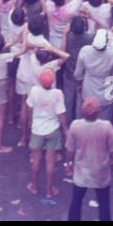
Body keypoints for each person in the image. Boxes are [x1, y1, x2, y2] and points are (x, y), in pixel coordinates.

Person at [65, 95, 113, 221]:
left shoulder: (75, 125)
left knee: (76, 201)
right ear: (98, 111)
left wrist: (67, 164)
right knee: (104, 204)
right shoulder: (106, 126)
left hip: (81, 173)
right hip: (101, 172)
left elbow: (69, 150)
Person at [26, 66, 68, 201]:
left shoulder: (34, 91)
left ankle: (34, 186)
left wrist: (29, 124)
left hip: (37, 129)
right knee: (50, 162)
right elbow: (61, 114)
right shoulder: (58, 94)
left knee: (36, 160)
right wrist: (65, 129)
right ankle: (49, 190)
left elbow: (29, 109)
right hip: (53, 130)